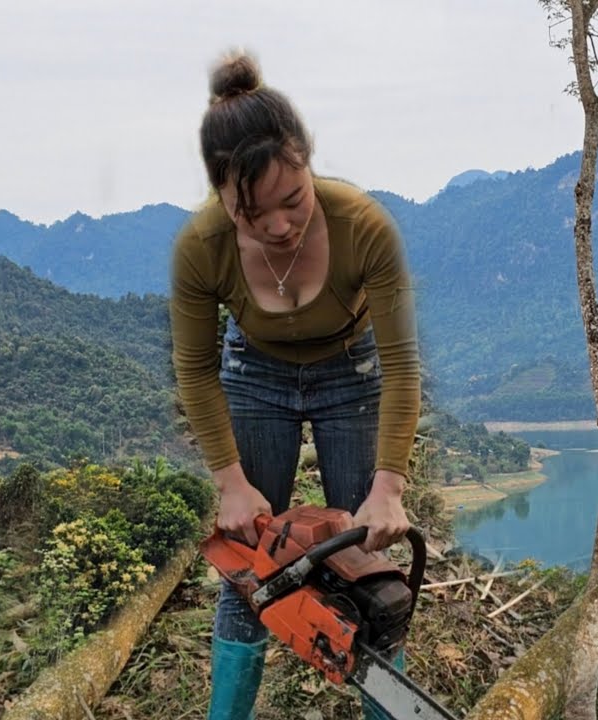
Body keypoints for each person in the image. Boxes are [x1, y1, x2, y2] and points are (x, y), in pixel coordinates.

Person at [169, 50, 420, 720]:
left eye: (294, 200)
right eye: (252, 212)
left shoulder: (363, 226)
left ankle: (387, 708)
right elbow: (194, 369)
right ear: (222, 197)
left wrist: (388, 489)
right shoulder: (201, 247)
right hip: (253, 374)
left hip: (354, 372)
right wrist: (230, 482)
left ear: (310, 163)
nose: (280, 226)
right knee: (249, 564)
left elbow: (401, 364)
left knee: (368, 559)